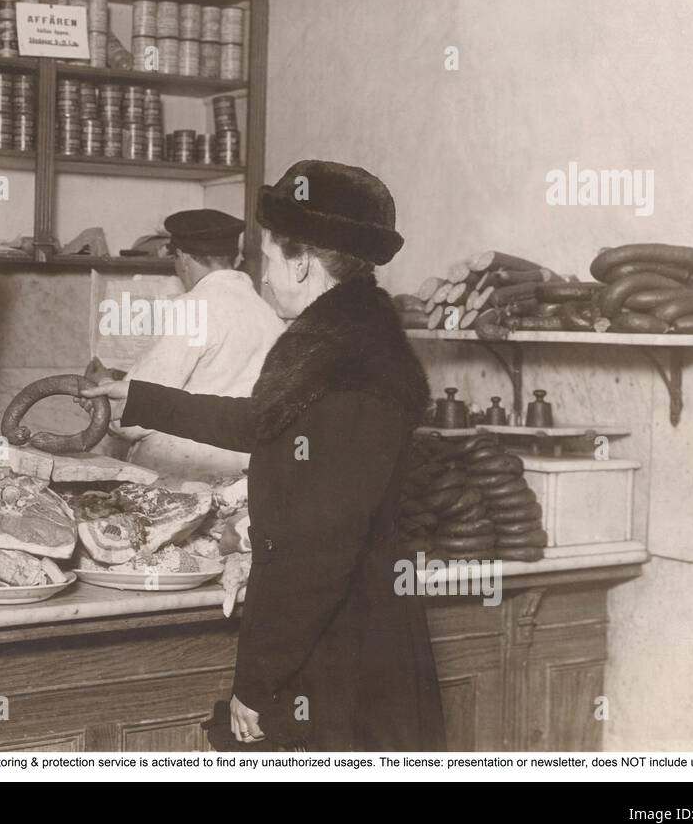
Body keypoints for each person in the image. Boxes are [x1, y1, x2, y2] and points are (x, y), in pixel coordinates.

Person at [85, 161, 446, 750]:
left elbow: (319, 552)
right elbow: (264, 423)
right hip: (336, 635)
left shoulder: (351, 366)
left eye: (270, 258)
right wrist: (141, 398)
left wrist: (256, 681)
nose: (265, 275)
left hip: (345, 654)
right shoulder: (341, 340)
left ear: (302, 262)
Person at [107, 209, 284, 483]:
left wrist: (103, 390)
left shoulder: (192, 307)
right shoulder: (268, 314)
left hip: (184, 471)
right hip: (246, 472)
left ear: (184, 258)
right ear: (235, 258)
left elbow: (135, 417)